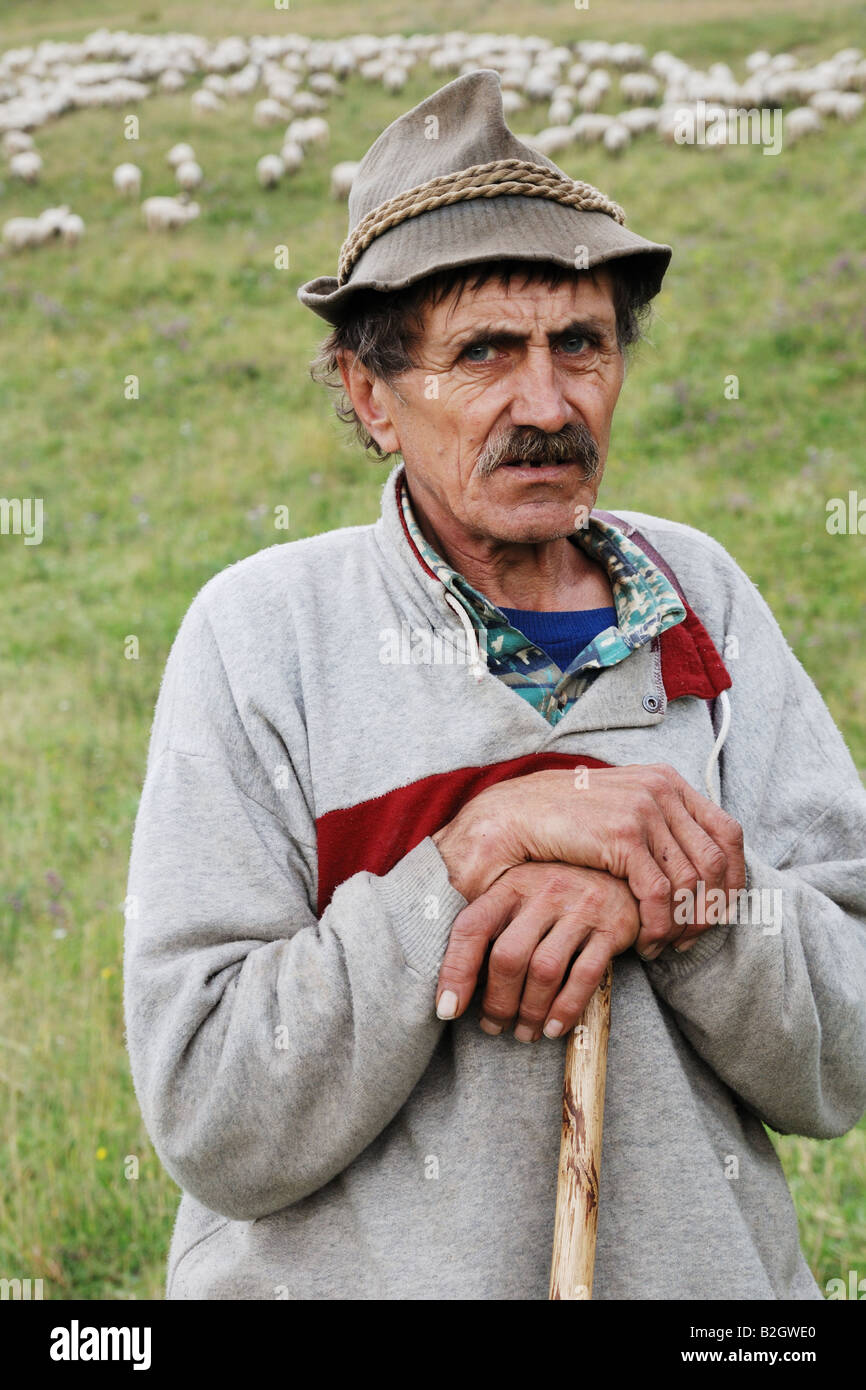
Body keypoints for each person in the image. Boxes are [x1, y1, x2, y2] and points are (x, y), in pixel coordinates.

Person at [124, 71, 866, 1300]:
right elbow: (213, 1110)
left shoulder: (705, 597)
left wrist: (675, 906)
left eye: (580, 343)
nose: (546, 402)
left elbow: (844, 1053)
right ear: (370, 397)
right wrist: (464, 861)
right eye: (482, 353)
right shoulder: (262, 636)